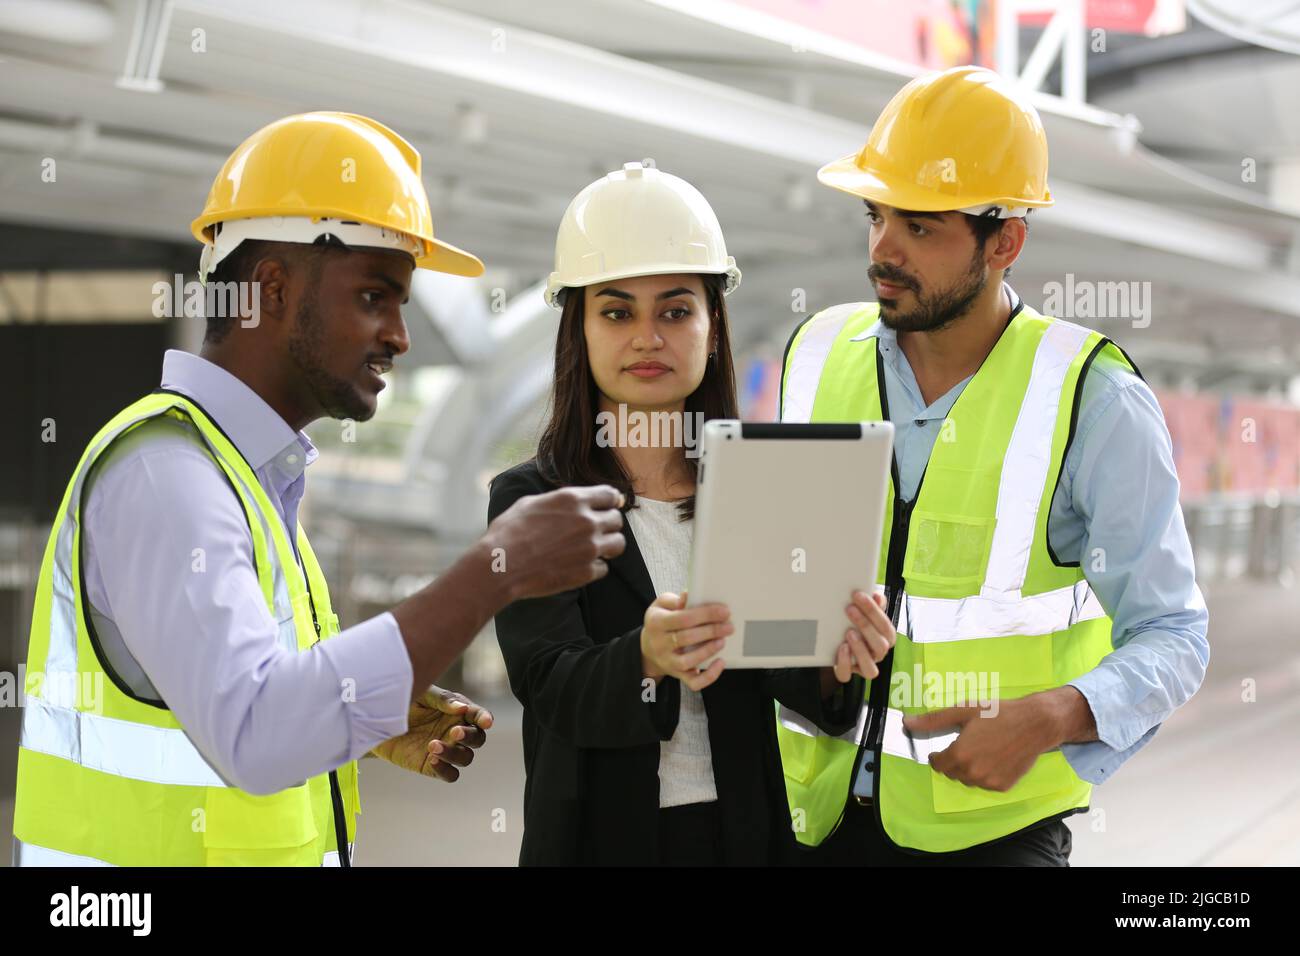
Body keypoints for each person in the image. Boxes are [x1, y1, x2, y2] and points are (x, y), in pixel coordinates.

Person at [12, 112, 626, 867]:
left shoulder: (248, 479)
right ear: (271, 288)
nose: (400, 335)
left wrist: (362, 714)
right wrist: (495, 567)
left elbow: (239, 698)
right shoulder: (167, 475)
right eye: (376, 296)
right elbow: (254, 733)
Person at [776, 66, 1209, 865]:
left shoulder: (1094, 401)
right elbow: (782, 585)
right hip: (809, 822)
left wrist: (1054, 715)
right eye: (876, 217)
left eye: (920, 226)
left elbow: (1174, 633)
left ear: (1004, 240)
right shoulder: (814, 356)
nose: (883, 250)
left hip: (993, 835)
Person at [488, 161, 894, 865]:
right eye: (617, 312)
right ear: (578, 330)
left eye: (676, 311)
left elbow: (789, 674)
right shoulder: (532, 500)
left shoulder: (753, 486)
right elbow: (549, 684)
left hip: (742, 836)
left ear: (713, 329)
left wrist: (841, 658)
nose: (649, 337)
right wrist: (644, 656)